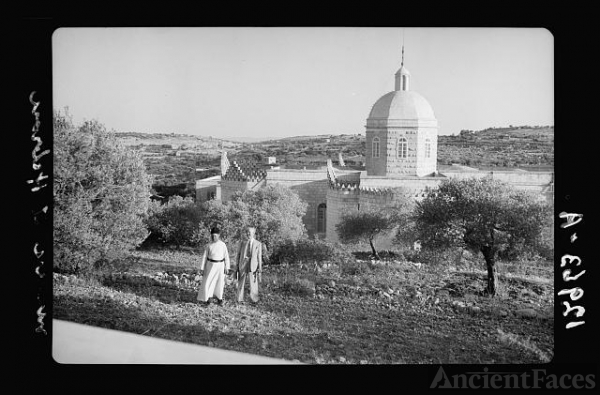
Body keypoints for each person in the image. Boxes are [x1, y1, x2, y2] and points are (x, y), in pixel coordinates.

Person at [197, 227, 231, 306]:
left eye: (215, 236)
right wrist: (202, 268)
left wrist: (227, 267)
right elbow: (204, 257)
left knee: (220, 283)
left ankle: (219, 298)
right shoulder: (209, 245)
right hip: (210, 266)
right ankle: (207, 298)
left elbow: (226, 256)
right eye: (212, 236)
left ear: (219, 235)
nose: (214, 237)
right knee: (208, 282)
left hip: (220, 266)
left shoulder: (223, 245)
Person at [234, 226, 262, 304]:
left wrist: (260, 268)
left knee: (253, 283)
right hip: (243, 264)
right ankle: (239, 299)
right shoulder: (242, 242)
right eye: (247, 232)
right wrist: (236, 266)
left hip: (253, 265)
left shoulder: (258, 244)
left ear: (253, 233)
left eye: (250, 232)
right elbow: (238, 254)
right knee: (241, 281)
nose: (248, 234)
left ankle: (254, 299)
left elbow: (259, 257)